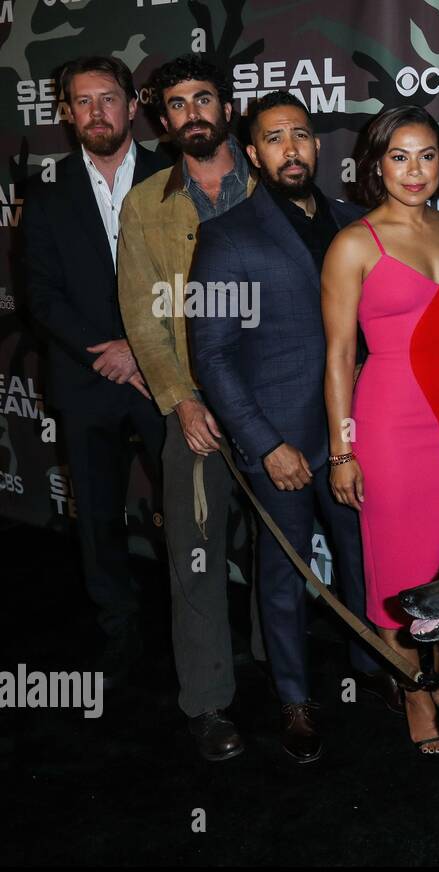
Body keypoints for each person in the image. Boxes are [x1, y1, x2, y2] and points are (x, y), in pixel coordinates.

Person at [188, 92, 395, 763]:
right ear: (253, 154)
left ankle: (375, 671)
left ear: (316, 145)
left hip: (354, 437)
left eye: (301, 135)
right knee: (282, 576)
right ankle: (295, 700)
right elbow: (210, 356)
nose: (291, 148)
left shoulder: (357, 223)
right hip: (276, 443)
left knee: (365, 563)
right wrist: (264, 443)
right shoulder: (226, 236)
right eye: (274, 138)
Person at [323, 106, 439, 755]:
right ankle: (414, 691)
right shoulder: (355, 243)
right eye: (399, 156)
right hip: (390, 419)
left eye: (426, 155)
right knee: (402, 572)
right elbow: (339, 354)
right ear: (376, 164)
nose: (414, 170)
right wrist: (342, 448)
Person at [118, 55, 257, 761]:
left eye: (204, 99)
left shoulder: (269, 182)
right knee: (195, 559)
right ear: (163, 120)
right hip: (196, 410)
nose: (192, 113)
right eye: (177, 105)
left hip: (276, 403)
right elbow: (143, 320)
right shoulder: (145, 204)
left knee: (284, 555)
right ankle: (207, 702)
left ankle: (288, 679)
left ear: (227, 108)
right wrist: (179, 403)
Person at [21, 56, 169, 687]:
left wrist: (143, 347)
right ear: (67, 113)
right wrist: (106, 351)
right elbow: (41, 293)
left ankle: (197, 627)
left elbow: (201, 277)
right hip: (86, 380)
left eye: (108, 98)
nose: (96, 113)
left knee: (191, 511)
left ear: (132, 104)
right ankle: (119, 625)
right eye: (82, 102)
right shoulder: (49, 191)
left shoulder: (173, 176)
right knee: (99, 512)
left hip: (166, 375)